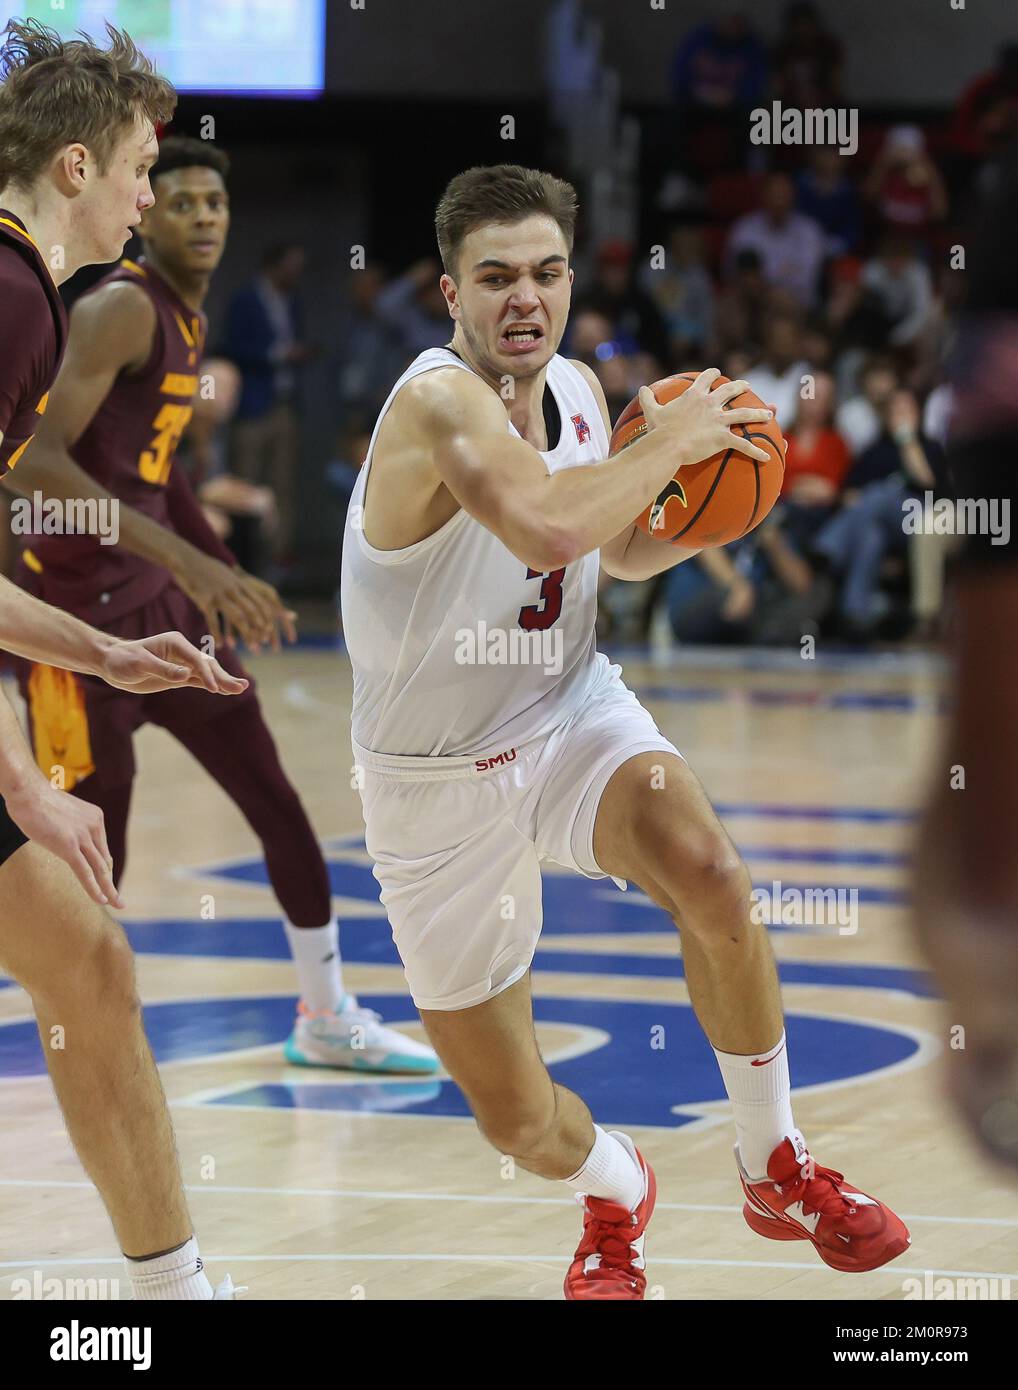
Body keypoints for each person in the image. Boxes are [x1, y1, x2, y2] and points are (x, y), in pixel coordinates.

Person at [341, 163, 910, 1300]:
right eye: (495, 276)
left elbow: (610, 548)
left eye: (546, 272)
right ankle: (614, 1185)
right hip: (430, 782)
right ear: (450, 293)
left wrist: (710, 501)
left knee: (713, 874)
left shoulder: (585, 394)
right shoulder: (435, 401)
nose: (526, 299)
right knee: (517, 1121)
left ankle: (773, 1162)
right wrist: (680, 434)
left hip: (563, 711)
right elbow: (548, 524)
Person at [15, 135, 437, 1078]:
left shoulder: (188, 322)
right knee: (94, 848)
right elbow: (38, 465)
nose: (204, 216)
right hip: (71, 630)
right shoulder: (121, 307)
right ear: (144, 210)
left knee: (276, 799)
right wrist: (192, 564)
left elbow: (153, 483)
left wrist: (218, 570)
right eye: (182, 200)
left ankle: (327, 1012)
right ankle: (84, 1032)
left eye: (215, 202)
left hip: (157, 612)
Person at [0, 16, 244, 1301]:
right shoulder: (15, 299)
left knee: (87, 958)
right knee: (85, 949)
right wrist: (22, 785)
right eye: (147, 167)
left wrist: (101, 646)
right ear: (80, 169)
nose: (155, 196)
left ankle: (170, 1298)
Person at [223, 240, 309, 564]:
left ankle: (278, 554)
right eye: (291, 267)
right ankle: (242, 554)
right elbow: (232, 347)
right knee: (245, 480)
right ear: (274, 266)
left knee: (283, 483)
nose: (296, 274)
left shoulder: (294, 301)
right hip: (251, 403)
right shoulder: (245, 300)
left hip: (284, 402)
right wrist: (277, 355)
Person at [725, 172, 826, 310]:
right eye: (774, 194)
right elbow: (733, 273)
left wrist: (764, 279)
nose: (779, 200)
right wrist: (782, 274)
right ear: (763, 196)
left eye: (784, 194)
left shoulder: (809, 231)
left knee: (782, 307)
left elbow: (806, 281)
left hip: (797, 306)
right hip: (751, 304)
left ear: (793, 196)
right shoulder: (744, 229)